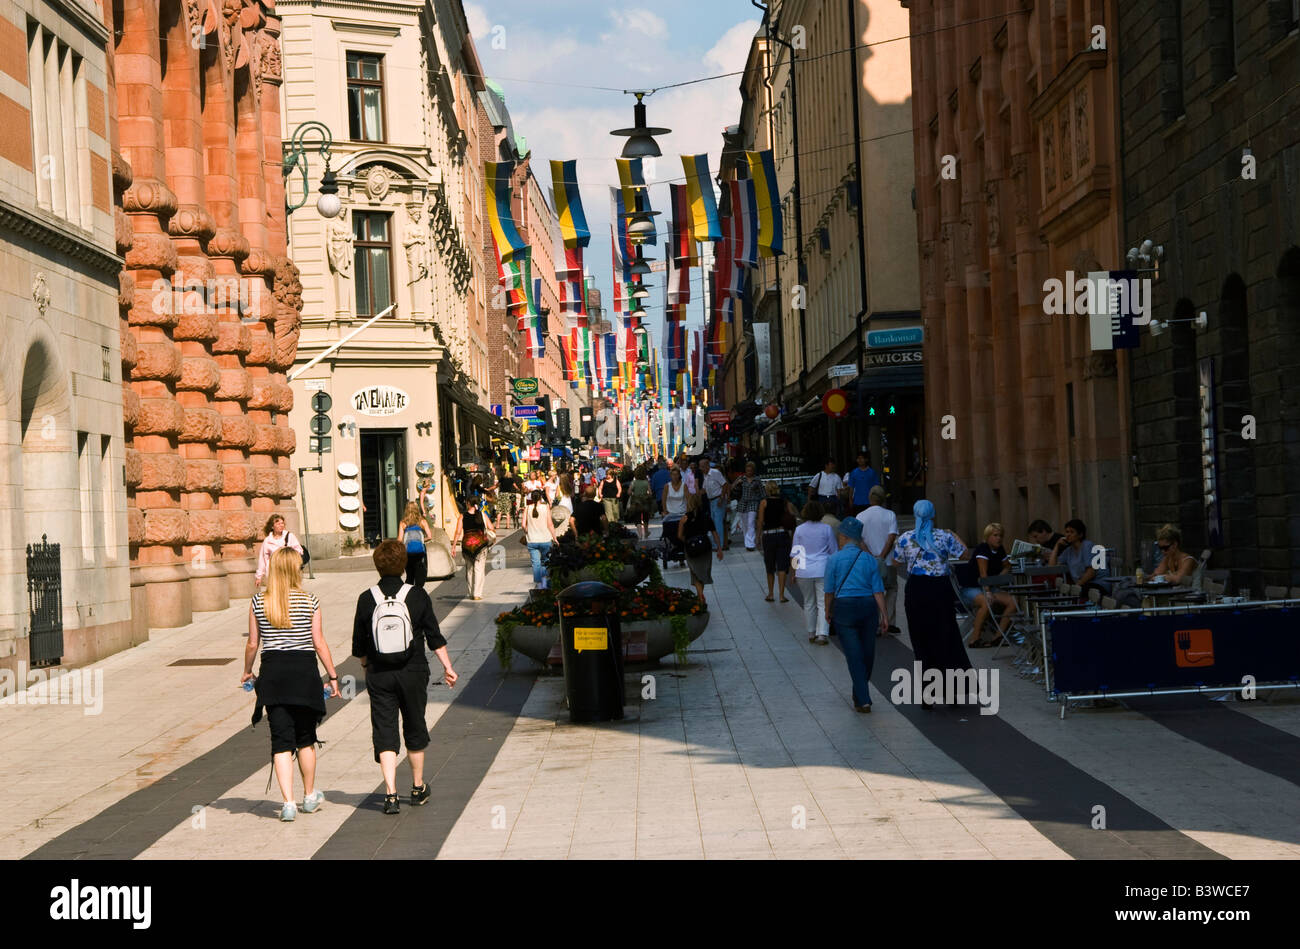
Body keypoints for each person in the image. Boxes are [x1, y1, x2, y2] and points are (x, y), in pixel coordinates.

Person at [351, 540, 457, 815]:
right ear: (403, 565)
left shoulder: (366, 598)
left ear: (377, 565)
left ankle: (390, 794)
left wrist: (366, 665)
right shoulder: (418, 595)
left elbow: (359, 645)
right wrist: (447, 666)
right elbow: (434, 636)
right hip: (413, 671)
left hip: (379, 674)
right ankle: (418, 787)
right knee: (414, 725)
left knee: (384, 731)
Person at [243, 547, 340, 822]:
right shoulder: (310, 601)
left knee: (281, 741)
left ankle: (288, 803)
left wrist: (247, 670)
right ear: (295, 570)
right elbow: (319, 643)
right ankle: (310, 797)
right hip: (304, 674)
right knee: (306, 738)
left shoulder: (258, 602)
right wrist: (332, 676)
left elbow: (253, 643)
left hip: (273, 676)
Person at [891, 500, 971, 707]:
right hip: (940, 590)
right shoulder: (944, 536)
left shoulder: (905, 538)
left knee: (921, 641)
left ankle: (928, 694)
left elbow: (896, 561)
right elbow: (964, 553)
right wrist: (953, 533)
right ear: (933, 514)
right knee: (947, 638)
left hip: (917, 590)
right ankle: (954, 693)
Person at [824, 517, 888, 712]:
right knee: (867, 652)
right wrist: (884, 615)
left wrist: (827, 611)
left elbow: (829, 590)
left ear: (843, 537)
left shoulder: (833, 559)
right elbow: (878, 590)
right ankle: (860, 693)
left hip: (844, 607)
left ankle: (863, 697)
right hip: (868, 607)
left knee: (853, 654)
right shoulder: (869, 560)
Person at [961, 523, 1017, 648]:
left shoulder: (1000, 549)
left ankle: (998, 636)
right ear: (988, 536)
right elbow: (983, 573)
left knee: (1013, 601)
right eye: (995, 535)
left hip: (989, 587)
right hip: (971, 588)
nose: (999, 538)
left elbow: (1007, 566)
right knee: (986, 602)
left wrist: (997, 579)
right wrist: (988, 591)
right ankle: (974, 639)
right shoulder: (983, 549)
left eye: (1001, 535)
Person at [791, 501, 838, 644]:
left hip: (803, 570)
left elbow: (796, 553)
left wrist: (794, 572)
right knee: (823, 602)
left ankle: (811, 632)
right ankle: (822, 634)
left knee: (809, 602)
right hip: (822, 569)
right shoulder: (826, 529)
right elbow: (833, 551)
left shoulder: (799, 530)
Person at [856, 485, 900, 635]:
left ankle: (874, 623)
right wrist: (881, 555)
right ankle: (889, 621)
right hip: (887, 560)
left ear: (869, 498)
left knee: (871, 591)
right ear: (883, 499)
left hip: (868, 561)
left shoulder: (860, 516)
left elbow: (859, 539)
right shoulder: (890, 515)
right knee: (891, 588)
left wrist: (871, 555)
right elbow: (891, 537)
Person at [678, 491, 723, 610]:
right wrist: (719, 549)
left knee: (695, 574)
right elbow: (714, 533)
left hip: (691, 549)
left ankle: (699, 597)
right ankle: (700, 596)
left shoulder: (685, 518)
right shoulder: (706, 516)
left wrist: (686, 541)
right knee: (702, 573)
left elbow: (679, 535)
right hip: (705, 548)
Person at [757, 481, 798, 602]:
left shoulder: (764, 503)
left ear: (767, 490)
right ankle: (781, 595)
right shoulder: (785, 502)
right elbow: (793, 517)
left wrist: (758, 537)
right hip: (782, 535)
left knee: (770, 566)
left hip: (769, 536)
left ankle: (770, 594)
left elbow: (760, 521)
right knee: (782, 566)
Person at [451, 495, 495, 600]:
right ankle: (477, 594)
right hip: (481, 545)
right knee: (479, 569)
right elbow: (491, 528)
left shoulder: (462, 516)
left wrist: (453, 546)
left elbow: (458, 532)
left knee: (469, 570)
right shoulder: (482, 515)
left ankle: (471, 592)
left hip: (467, 546)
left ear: (467, 503)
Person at [1048, 518, 1109, 594]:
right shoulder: (1069, 551)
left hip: (1097, 584)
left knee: (1070, 593)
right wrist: (1057, 546)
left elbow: (1091, 572)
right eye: (1067, 532)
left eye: (1072, 532)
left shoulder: (1087, 546)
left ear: (1080, 534)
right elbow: (1052, 567)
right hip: (1082, 585)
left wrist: (1076, 586)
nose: (1068, 535)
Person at [255, 514, 305, 587]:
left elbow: (299, 550)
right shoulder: (267, 540)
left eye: (282, 523)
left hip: (288, 570)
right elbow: (263, 559)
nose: (281, 525)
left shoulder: (290, 536)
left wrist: (287, 553)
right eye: (278, 524)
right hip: (274, 572)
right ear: (272, 526)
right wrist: (258, 577)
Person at [522, 489, 558, 589]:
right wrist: (554, 537)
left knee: (536, 563)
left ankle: (539, 585)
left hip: (532, 540)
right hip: (545, 539)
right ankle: (545, 583)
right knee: (545, 561)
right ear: (541, 497)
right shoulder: (545, 507)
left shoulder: (527, 508)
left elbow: (523, 525)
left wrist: (527, 532)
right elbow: (550, 524)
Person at [398, 501, 432, 588]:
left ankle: (408, 594)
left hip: (408, 553)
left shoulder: (403, 523)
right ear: (417, 509)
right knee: (420, 575)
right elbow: (429, 536)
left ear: (406, 510)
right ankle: (418, 592)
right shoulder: (422, 522)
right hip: (420, 553)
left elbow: (399, 540)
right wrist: (421, 540)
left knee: (409, 576)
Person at [698, 457, 728, 546]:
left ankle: (720, 545)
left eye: (702, 466)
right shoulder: (705, 475)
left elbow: (725, 484)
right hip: (711, 501)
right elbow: (704, 489)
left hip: (718, 499)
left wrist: (722, 498)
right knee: (714, 523)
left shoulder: (715, 473)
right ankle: (716, 543)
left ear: (707, 466)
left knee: (718, 523)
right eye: (700, 467)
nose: (701, 468)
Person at [737, 462, 766, 551]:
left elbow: (762, 493)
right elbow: (732, 488)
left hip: (753, 503)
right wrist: (738, 483)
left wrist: (764, 502)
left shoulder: (757, 480)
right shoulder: (742, 478)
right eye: (747, 470)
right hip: (743, 503)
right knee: (745, 525)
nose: (748, 472)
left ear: (753, 471)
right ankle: (748, 542)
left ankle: (750, 544)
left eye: (750, 470)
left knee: (751, 522)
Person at [626, 465, 655, 540]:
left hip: (636, 502)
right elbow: (650, 493)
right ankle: (646, 532)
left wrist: (634, 494)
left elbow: (629, 492)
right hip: (645, 502)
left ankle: (640, 534)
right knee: (645, 518)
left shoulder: (634, 482)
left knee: (637, 518)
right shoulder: (646, 482)